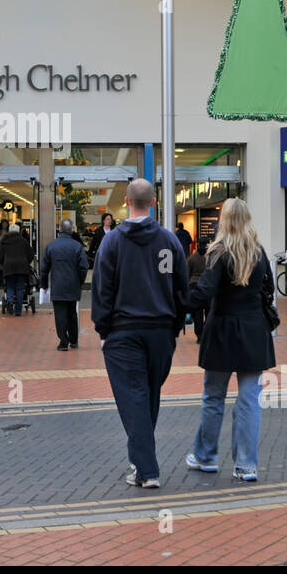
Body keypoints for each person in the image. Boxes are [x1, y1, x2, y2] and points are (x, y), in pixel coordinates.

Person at [91, 179, 188, 489]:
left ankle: (146, 469)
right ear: (154, 202)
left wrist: (103, 329)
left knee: (134, 397)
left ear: (127, 201)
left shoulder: (112, 243)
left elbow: (102, 288)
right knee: (147, 396)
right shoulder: (170, 242)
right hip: (161, 332)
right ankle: (140, 461)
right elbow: (180, 288)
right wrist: (174, 326)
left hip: (123, 331)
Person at [183, 198, 275, 483]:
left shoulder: (219, 252)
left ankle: (206, 457)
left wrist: (177, 303)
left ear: (223, 220)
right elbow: (269, 290)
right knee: (249, 401)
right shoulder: (258, 252)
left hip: (222, 329)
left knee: (213, 397)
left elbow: (204, 292)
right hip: (254, 331)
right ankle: (246, 465)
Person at [40, 219, 89, 349]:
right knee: (72, 312)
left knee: (60, 313)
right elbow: (84, 267)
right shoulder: (77, 246)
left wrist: (43, 284)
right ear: (71, 230)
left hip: (57, 285)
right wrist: (80, 281)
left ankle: (63, 341)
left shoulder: (51, 246)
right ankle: (74, 340)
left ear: (60, 230)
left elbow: (44, 268)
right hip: (73, 285)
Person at [0, 222, 34, 314]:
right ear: (19, 231)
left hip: (8, 267)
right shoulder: (24, 241)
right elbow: (30, 255)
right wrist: (26, 262)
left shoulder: (4, 242)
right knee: (20, 288)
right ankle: (18, 311)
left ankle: (10, 301)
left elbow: (0, 257)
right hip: (22, 267)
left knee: (10, 286)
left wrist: (3, 263)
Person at [188, 239, 209, 342]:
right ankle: (205, 333)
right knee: (209, 312)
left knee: (197, 314)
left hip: (194, 286)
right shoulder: (210, 258)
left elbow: (188, 274)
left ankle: (199, 335)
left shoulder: (191, 258)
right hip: (207, 287)